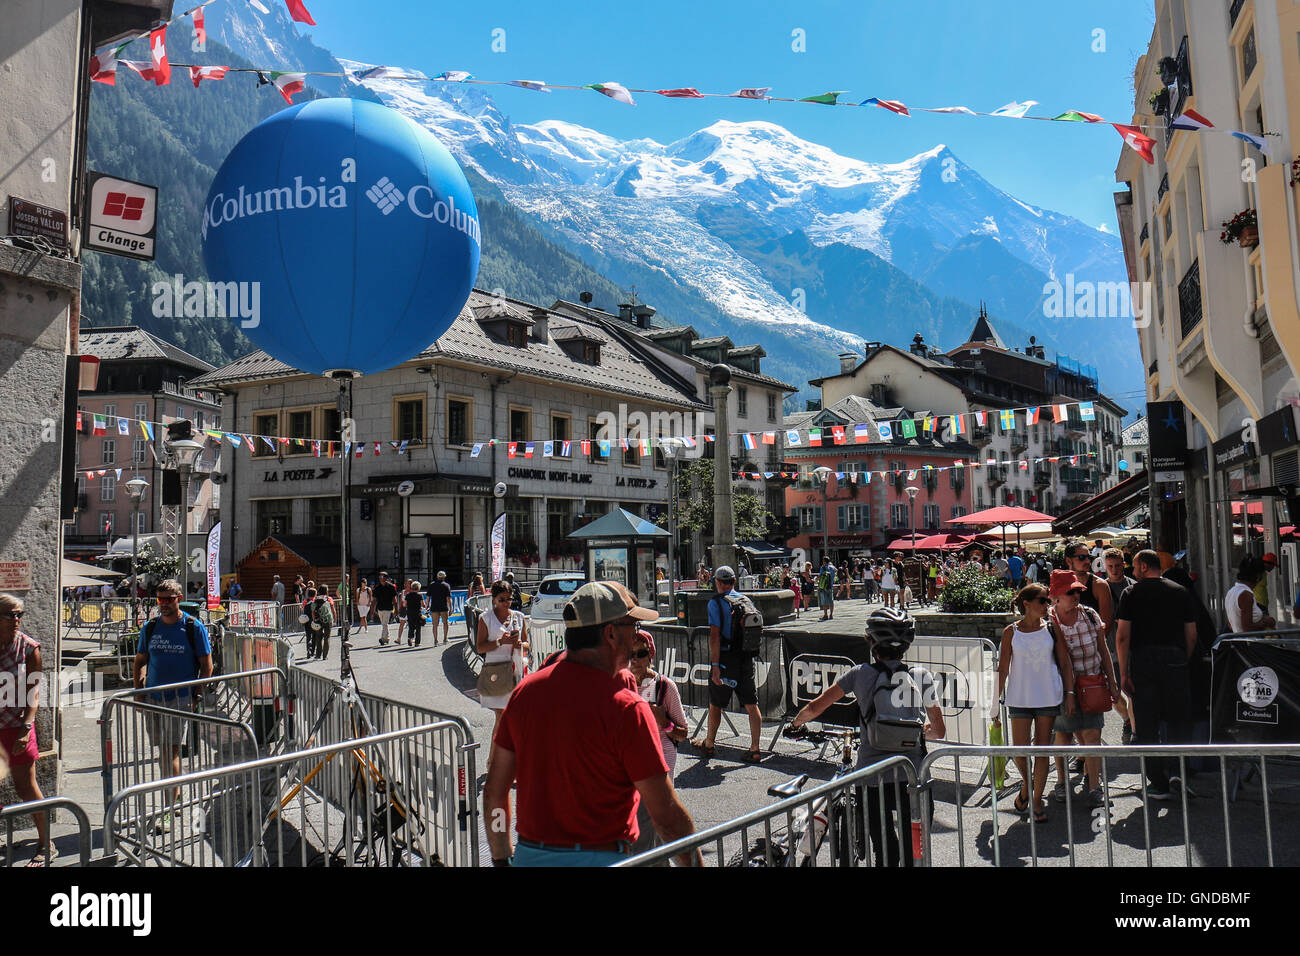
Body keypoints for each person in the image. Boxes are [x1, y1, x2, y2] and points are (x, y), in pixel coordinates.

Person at [484, 581, 701, 867]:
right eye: (632, 628)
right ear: (610, 634)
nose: (636, 635)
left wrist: (501, 858)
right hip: (603, 857)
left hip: (530, 856)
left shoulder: (526, 692)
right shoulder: (627, 708)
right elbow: (667, 818)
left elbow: (495, 792)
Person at [789, 606, 945, 867]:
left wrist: (795, 724)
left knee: (884, 848)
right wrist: (921, 729)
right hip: (914, 776)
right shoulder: (921, 676)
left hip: (871, 777)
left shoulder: (860, 674)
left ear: (871, 642)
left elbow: (816, 706)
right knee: (916, 850)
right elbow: (939, 731)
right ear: (907, 645)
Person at [1116, 550, 1198, 801]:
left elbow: (1122, 636)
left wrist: (1123, 672)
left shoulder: (1131, 593)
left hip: (1144, 660)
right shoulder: (1180, 591)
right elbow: (1192, 634)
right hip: (1175, 657)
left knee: (1147, 722)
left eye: (1133, 566)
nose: (1132, 571)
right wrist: (1183, 657)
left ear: (1142, 566)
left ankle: (1158, 782)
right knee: (1178, 719)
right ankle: (1178, 771)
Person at [132, 579, 213, 830]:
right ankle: (175, 797)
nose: (164, 604)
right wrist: (139, 690)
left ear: (179, 598)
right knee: (163, 753)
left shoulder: (192, 627)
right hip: (154, 698)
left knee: (171, 752)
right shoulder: (151, 626)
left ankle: (168, 809)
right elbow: (140, 660)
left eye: (169, 599)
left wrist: (195, 694)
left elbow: (207, 666)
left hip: (179, 699)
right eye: (160, 599)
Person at [997, 580, 1071, 824]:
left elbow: (1064, 662)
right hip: (1019, 696)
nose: (1047, 604)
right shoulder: (1011, 631)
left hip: (1048, 695)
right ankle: (1028, 789)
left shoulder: (1052, 628)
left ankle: (1036, 800)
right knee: (1020, 750)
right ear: (1027, 603)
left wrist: (1069, 694)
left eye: (1048, 600)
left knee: (1041, 751)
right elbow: (1003, 668)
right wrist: (993, 703)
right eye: (1043, 600)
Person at [1048, 572, 1118, 808]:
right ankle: (1061, 781)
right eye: (1070, 592)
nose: (1076, 595)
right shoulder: (1050, 621)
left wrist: (1113, 682)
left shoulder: (1089, 615)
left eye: (1078, 590)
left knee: (1092, 735)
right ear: (1056, 595)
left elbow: (1103, 650)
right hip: (1061, 687)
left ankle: (1094, 787)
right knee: (1063, 734)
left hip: (1092, 682)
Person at [628, 629, 689, 862]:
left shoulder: (665, 687)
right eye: (630, 654)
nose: (635, 660)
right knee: (640, 836)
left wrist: (664, 723)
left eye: (641, 654)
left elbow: (683, 734)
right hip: (629, 768)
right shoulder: (620, 685)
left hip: (659, 768)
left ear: (650, 656)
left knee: (658, 834)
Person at [694, 566, 763, 762]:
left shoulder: (716, 602)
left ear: (717, 582)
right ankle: (755, 749)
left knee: (716, 704)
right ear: (734, 581)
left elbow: (715, 636)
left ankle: (709, 744)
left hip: (725, 659)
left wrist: (715, 666)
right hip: (746, 658)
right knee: (752, 704)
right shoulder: (745, 600)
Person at [1, 594, 50, 865]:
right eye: (10, 615)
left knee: (25, 786)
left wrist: (26, 727)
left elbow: (34, 693)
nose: (16, 620)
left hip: (16, 727)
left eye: (19, 614)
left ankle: (46, 842)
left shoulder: (29, 648)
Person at [476, 580, 530, 747]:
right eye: (502, 599)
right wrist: (500, 642)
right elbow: (480, 647)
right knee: (501, 716)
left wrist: (520, 645)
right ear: (494, 599)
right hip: (496, 672)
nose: (506, 603)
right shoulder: (485, 618)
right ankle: (493, 760)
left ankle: (507, 759)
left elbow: (527, 644)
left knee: (515, 717)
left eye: (509, 599)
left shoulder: (519, 617)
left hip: (517, 670)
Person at [1101, 548, 1136, 742]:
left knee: (1132, 690)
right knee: (1112, 693)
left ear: (1124, 564)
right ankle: (1127, 720)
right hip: (1109, 647)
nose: (1114, 570)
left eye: (1117, 565)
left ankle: (1133, 724)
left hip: (1131, 647)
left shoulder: (1133, 587)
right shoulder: (1101, 588)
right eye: (1110, 566)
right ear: (1105, 567)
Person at [1064, 540, 1114, 639]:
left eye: (1089, 557)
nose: (1087, 561)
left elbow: (1106, 624)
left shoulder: (1099, 585)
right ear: (1069, 561)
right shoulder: (1061, 584)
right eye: (1081, 558)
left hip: (1093, 647)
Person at [1227, 555, 1276, 633]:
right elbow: (1247, 628)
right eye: (1260, 577)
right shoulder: (1246, 595)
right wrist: (1266, 622)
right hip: (1249, 642)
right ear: (1257, 576)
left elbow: (1231, 624)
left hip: (1239, 639)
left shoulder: (1232, 591)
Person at [307, 587, 334, 660]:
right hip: (328, 620)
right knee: (327, 637)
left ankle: (318, 655)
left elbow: (312, 611)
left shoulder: (316, 599)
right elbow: (332, 609)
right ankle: (325, 656)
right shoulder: (328, 599)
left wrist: (314, 620)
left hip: (318, 620)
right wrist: (335, 618)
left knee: (318, 637)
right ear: (326, 591)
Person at [373, 572, 398, 645]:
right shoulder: (377, 588)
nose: (380, 578)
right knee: (384, 624)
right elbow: (374, 599)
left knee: (385, 623)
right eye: (380, 576)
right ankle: (387, 638)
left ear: (386, 578)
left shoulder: (391, 587)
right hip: (380, 608)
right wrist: (372, 610)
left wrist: (396, 609)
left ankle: (383, 639)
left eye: (382, 577)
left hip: (388, 607)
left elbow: (394, 599)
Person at [403, 581, 426, 647]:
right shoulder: (419, 596)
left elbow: (404, 604)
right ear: (418, 588)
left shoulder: (408, 595)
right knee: (418, 627)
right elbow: (423, 604)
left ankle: (410, 638)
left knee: (411, 626)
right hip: (417, 612)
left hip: (409, 612)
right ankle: (417, 642)